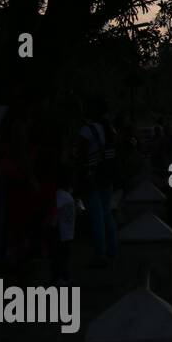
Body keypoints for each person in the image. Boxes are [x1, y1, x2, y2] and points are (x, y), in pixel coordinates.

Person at [77, 98, 118, 266]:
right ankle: (112, 249)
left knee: (97, 216)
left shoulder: (86, 131)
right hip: (106, 175)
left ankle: (100, 255)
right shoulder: (109, 129)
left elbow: (80, 155)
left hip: (92, 176)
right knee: (106, 213)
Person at [53, 167, 78, 284]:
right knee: (64, 256)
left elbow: (56, 212)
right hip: (67, 232)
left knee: (60, 256)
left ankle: (61, 277)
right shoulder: (68, 196)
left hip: (62, 232)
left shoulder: (60, 196)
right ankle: (63, 277)